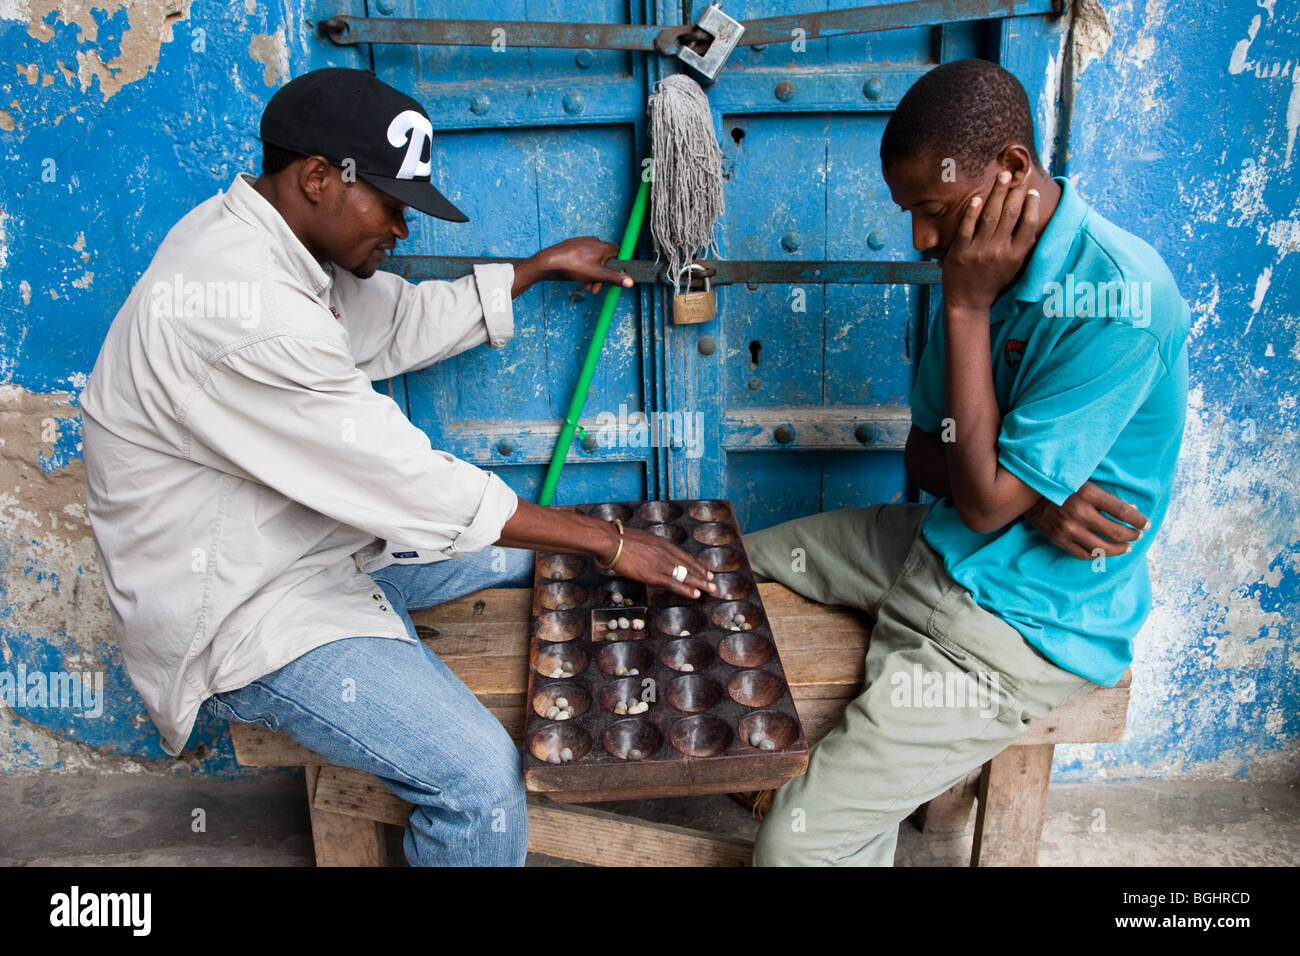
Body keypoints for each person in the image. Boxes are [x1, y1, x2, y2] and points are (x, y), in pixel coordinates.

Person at [78, 67, 715, 867]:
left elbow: (401, 317)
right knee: (478, 783)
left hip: (310, 547)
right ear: (317, 178)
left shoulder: (275, 247)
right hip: (250, 605)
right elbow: (404, 480)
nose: (404, 230)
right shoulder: (239, 305)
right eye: (391, 205)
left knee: (528, 549)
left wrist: (537, 267)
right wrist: (610, 542)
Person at [746, 58, 1189, 866]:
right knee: (731, 565)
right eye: (909, 211)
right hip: (939, 543)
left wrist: (966, 306)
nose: (919, 237)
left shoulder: (1121, 299)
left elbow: (986, 499)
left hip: (1023, 618)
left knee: (794, 846)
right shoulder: (971, 262)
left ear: (1013, 167)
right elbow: (928, 455)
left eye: (931, 208)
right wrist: (1035, 497)